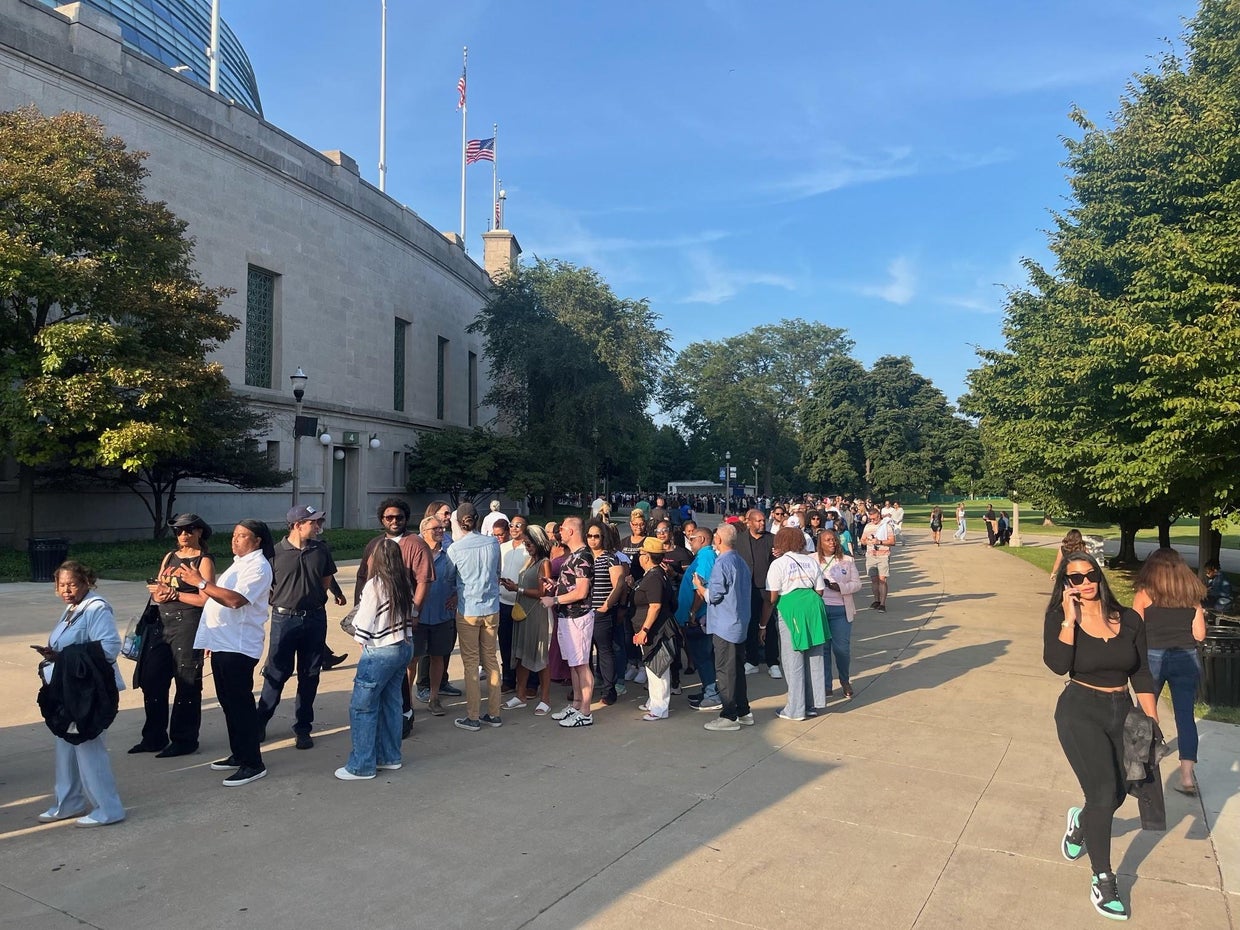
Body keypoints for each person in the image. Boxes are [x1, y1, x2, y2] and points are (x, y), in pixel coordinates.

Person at [1043, 551, 1158, 922]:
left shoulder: (1128, 618)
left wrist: (1151, 722)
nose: (1085, 582)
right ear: (1066, 584)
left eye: (1090, 574)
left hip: (1123, 711)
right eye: (1075, 578)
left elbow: (1140, 673)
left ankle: (1080, 825)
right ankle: (1103, 877)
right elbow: (1058, 664)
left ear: (1099, 575)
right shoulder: (1060, 618)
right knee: (1103, 793)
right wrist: (1070, 620)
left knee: (1123, 790)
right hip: (1080, 711)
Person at [179, 520, 274, 787]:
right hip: (223, 643)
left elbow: (234, 600)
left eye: (242, 536)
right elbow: (218, 600)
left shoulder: (258, 566)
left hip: (239, 646)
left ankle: (253, 763)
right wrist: (211, 637)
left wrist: (199, 582)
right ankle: (239, 754)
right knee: (228, 703)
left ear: (257, 541)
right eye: (234, 535)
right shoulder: (239, 563)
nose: (235, 540)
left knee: (240, 705)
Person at [34, 561, 125, 826]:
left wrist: (66, 657)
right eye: (62, 585)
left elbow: (109, 647)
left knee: (88, 746)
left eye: (73, 584)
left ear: (87, 582)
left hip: (88, 692)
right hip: (67, 689)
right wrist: (55, 655)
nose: (67, 590)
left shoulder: (96, 608)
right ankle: (68, 802)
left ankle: (108, 809)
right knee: (65, 745)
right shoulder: (72, 609)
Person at [256, 505, 340, 750]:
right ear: (297, 524)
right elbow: (265, 584)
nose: (318, 526)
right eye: (313, 522)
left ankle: (303, 728)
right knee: (276, 673)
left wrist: (316, 599)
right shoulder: (273, 553)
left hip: (315, 619)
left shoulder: (320, 549)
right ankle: (260, 722)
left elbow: (326, 579)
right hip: (284, 620)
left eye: (318, 522)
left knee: (310, 675)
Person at [132, 513, 214, 757]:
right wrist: (159, 593)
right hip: (161, 623)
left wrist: (176, 595)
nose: (183, 535)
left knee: (186, 682)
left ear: (200, 531)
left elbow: (206, 599)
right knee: (152, 679)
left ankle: (184, 739)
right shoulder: (170, 556)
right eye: (179, 531)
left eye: (189, 530)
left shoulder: (204, 561)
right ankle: (153, 736)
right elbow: (158, 588)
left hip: (187, 624)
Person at [335, 539, 416, 780]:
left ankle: (361, 765)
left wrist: (361, 638)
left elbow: (364, 620)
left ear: (377, 559)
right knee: (392, 703)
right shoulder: (403, 583)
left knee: (362, 707)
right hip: (403, 646)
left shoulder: (375, 585)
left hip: (380, 650)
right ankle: (390, 756)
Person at [1132, 548, 1207, 796]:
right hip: (1185, 657)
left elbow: (1135, 630)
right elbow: (1199, 635)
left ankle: (1140, 767)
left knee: (1146, 712)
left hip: (1153, 655)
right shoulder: (1192, 597)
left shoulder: (1144, 594)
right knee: (1185, 717)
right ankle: (1186, 776)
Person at [445, 502, 503, 732]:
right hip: (491, 607)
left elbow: (450, 577)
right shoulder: (492, 543)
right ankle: (495, 713)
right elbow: (497, 571)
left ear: (459, 523)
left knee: (470, 663)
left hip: (468, 609)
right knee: (490, 658)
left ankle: (473, 716)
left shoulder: (456, 548)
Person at [762, 527, 828, 721]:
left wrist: (763, 623)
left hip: (792, 610)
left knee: (793, 660)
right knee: (814, 657)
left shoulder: (778, 564)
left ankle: (795, 709)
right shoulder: (811, 561)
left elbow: (772, 596)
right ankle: (812, 704)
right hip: (814, 608)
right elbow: (821, 590)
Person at [694, 523, 755, 732]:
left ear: (718, 540)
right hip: (738, 623)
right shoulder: (740, 561)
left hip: (725, 625)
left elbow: (715, 595)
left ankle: (729, 715)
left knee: (725, 671)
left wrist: (701, 588)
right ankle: (743, 711)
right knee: (736, 668)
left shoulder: (723, 563)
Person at [546, 517, 596, 728]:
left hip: (578, 616)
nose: (560, 532)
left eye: (563, 529)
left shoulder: (583, 556)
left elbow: (582, 591)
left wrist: (555, 599)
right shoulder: (573, 556)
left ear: (573, 532)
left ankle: (585, 711)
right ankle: (576, 705)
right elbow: (571, 584)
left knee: (582, 665)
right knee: (574, 664)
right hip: (567, 616)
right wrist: (556, 585)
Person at [504, 524, 554, 715]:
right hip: (523, 612)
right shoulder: (530, 561)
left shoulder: (544, 563)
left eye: (530, 543)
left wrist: (518, 589)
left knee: (540, 657)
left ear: (539, 542)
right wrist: (514, 586)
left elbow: (542, 592)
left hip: (536, 614)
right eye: (526, 543)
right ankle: (521, 694)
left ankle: (546, 699)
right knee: (522, 654)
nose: (527, 546)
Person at [414, 516, 457, 718]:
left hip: (442, 616)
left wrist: (456, 595)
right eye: (435, 528)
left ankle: (434, 698)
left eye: (442, 527)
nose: (441, 530)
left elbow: (460, 579)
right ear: (423, 532)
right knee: (411, 661)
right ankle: (405, 702)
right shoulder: (416, 555)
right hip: (417, 617)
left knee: (438, 657)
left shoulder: (450, 555)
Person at [632, 537, 677, 721]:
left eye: (642, 553)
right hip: (652, 628)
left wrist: (644, 629)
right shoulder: (653, 574)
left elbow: (655, 606)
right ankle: (653, 701)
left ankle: (660, 708)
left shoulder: (655, 576)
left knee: (659, 668)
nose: (639, 556)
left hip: (656, 630)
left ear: (648, 557)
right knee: (652, 667)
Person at [816, 530, 863, 699]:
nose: (832, 543)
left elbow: (857, 584)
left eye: (834, 540)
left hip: (841, 610)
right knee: (824, 649)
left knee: (841, 649)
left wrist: (840, 588)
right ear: (820, 543)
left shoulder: (847, 560)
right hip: (820, 610)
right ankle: (826, 685)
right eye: (827, 540)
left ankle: (845, 680)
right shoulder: (812, 560)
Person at [583, 517, 624, 706]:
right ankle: (586, 689)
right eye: (589, 536)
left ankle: (609, 690)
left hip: (601, 613)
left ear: (603, 537)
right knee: (584, 654)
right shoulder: (584, 557)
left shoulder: (609, 558)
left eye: (596, 536)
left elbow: (619, 584)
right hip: (583, 612)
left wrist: (607, 606)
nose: (593, 539)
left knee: (604, 652)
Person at [680, 527, 720, 711]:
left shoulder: (705, 557)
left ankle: (712, 693)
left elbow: (700, 586)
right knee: (702, 655)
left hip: (700, 616)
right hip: (700, 615)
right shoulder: (704, 556)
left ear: (702, 539)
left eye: (692, 539)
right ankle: (708, 688)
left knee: (703, 656)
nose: (690, 542)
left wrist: (693, 612)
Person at [736, 508, 779, 678]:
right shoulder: (739, 540)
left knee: (769, 625)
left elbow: (777, 562)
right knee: (750, 625)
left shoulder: (771, 539)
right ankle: (752, 660)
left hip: (767, 588)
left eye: (763, 520)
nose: (762, 523)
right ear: (749, 522)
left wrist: (778, 555)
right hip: (747, 588)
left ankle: (773, 662)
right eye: (758, 521)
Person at [859, 506, 895, 611]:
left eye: (874, 518)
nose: (873, 521)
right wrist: (867, 542)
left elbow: (892, 541)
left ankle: (883, 603)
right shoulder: (868, 526)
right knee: (874, 579)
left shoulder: (886, 526)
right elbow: (862, 540)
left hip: (883, 555)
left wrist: (880, 542)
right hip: (871, 555)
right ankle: (876, 600)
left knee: (882, 580)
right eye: (871, 519)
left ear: (879, 516)